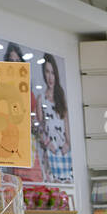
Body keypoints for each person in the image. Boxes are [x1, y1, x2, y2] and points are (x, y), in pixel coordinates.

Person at [35, 53, 73, 183]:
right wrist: (47, 144)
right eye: (47, 72)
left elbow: (66, 123)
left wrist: (68, 143)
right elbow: (40, 129)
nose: (50, 77)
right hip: (50, 152)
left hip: (64, 152)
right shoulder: (41, 99)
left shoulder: (61, 97)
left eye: (52, 72)